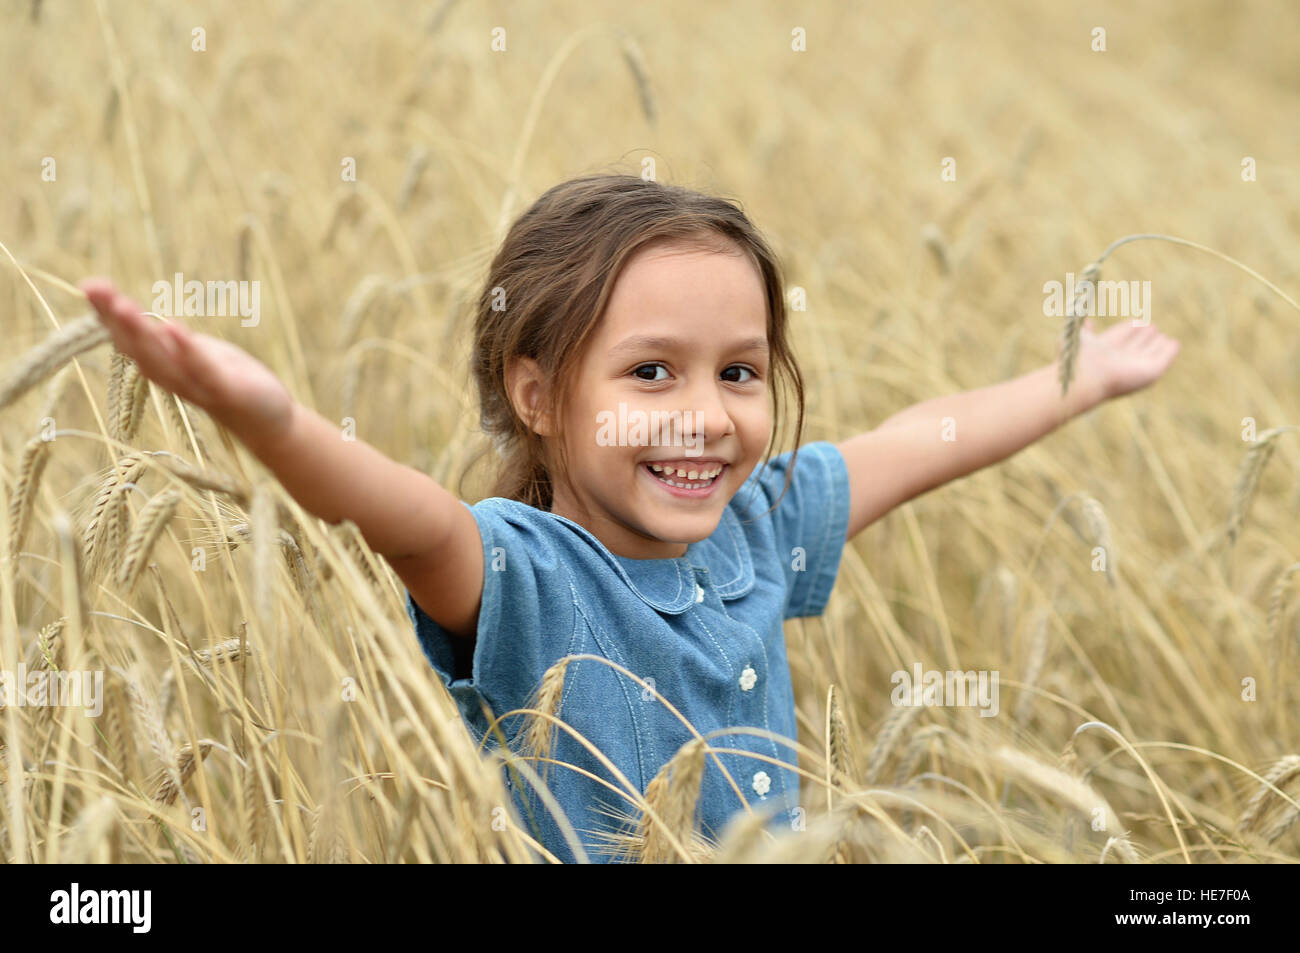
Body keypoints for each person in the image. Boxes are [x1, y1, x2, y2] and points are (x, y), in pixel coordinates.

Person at [82, 173, 1180, 863]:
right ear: (538, 396)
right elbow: (403, 514)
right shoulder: (523, 571)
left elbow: (923, 437)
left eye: (740, 372)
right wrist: (268, 417)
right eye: (651, 371)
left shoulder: (764, 522)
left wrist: (1071, 381)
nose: (704, 416)